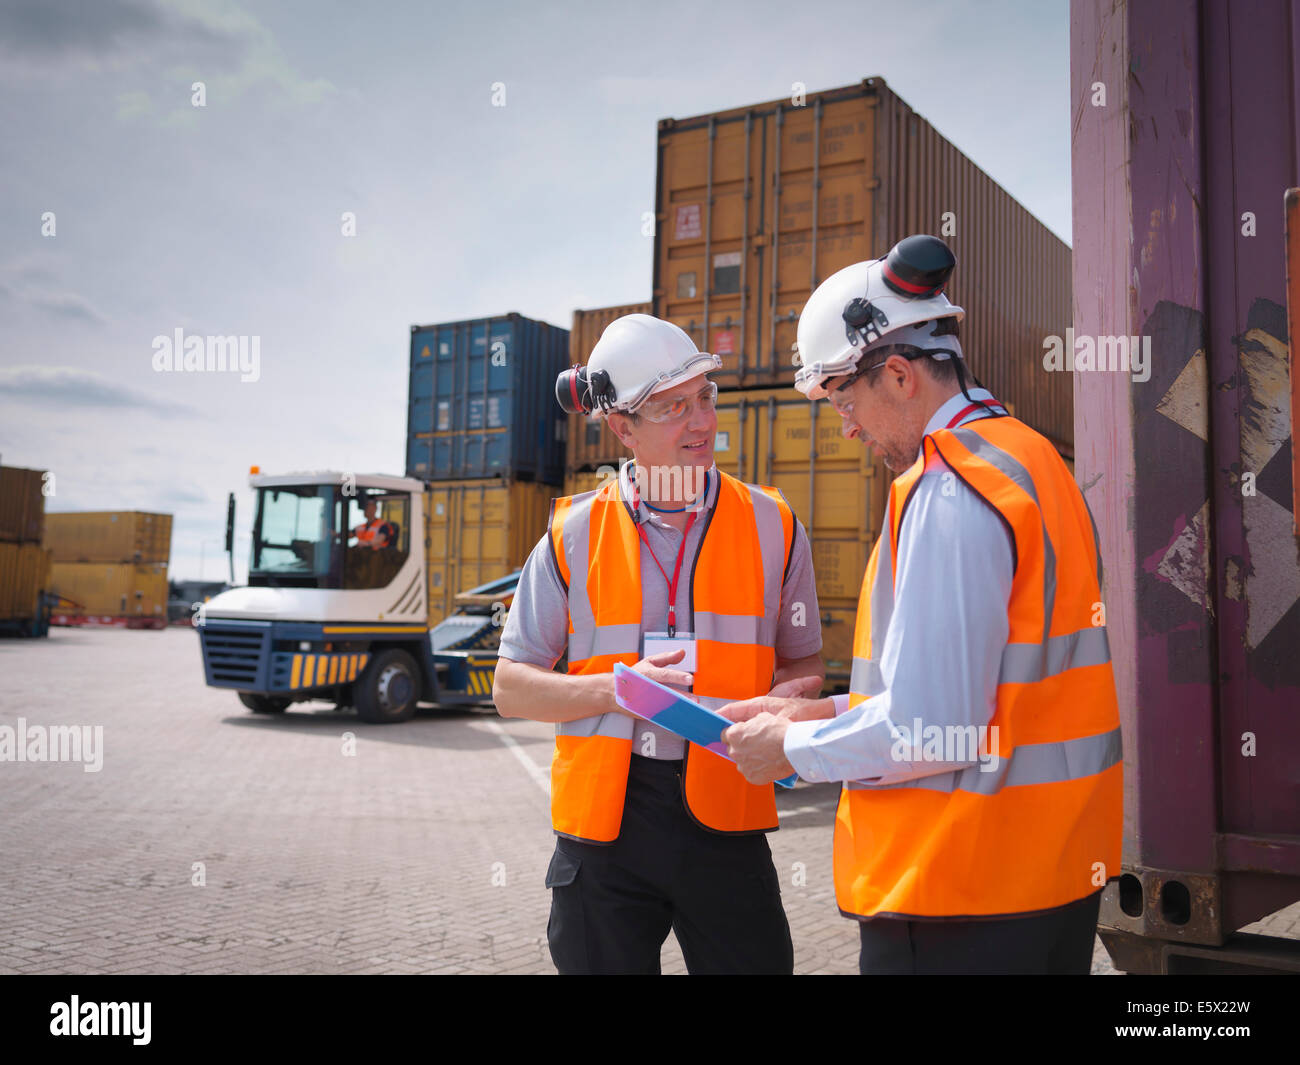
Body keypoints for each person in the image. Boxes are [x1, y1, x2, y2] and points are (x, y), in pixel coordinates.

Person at [722, 235, 1122, 975]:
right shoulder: (1031, 459)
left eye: (843, 397)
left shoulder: (950, 490)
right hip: (1046, 879)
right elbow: (980, 694)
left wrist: (790, 751)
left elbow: (933, 731)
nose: (845, 424)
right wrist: (826, 712)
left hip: (959, 897)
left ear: (899, 374)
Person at [494, 313, 824, 975]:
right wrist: (616, 689)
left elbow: (805, 663)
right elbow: (510, 686)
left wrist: (784, 704)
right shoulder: (569, 535)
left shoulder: (774, 524)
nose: (700, 421)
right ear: (623, 427)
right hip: (607, 831)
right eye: (673, 406)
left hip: (727, 812)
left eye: (704, 396)